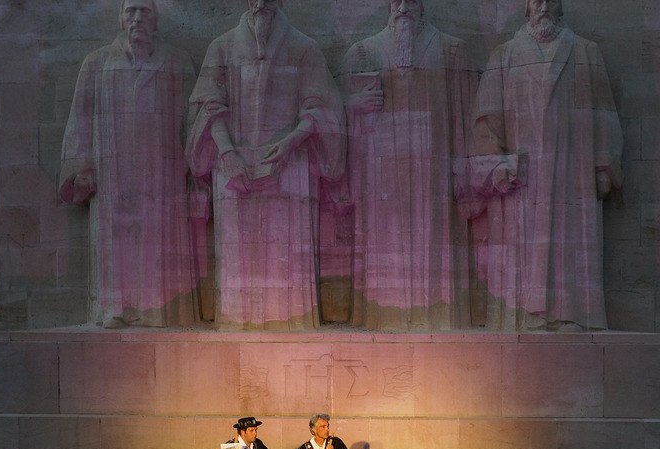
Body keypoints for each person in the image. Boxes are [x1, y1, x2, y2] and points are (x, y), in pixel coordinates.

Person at [185, 0, 346, 330]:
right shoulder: (222, 47)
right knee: (237, 264)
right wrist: (228, 154)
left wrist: (288, 144)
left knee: (288, 263)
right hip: (231, 166)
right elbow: (209, 105)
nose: (260, 4)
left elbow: (319, 107)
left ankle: (292, 328)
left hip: (291, 165)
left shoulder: (304, 48)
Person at [471, 0, 623, 331]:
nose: (544, 8)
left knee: (571, 239)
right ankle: (522, 316)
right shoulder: (505, 55)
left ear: (560, 7)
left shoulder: (586, 52)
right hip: (522, 175)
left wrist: (603, 167)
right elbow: (487, 118)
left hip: (574, 168)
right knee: (522, 242)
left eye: (551, 1)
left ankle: (573, 314)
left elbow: (604, 114)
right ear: (527, 8)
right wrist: (495, 165)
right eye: (537, 1)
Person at [60, 0, 200, 329]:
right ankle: (115, 307)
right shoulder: (96, 63)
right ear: (121, 19)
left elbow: (195, 119)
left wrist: (197, 169)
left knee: (157, 239)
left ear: (156, 20)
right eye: (131, 11)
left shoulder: (178, 63)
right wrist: (81, 168)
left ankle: (157, 308)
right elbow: (80, 119)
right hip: (113, 172)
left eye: (145, 11)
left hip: (162, 172)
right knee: (114, 241)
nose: (137, 18)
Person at [340, 0, 478, 331]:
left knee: (437, 240)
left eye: (410, 1)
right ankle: (381, 318)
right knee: (380, 238)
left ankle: (437, 319)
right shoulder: (363, 52)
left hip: (434, 171)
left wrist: (464, 169)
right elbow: (333, 112)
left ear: (422, 6)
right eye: (396, 1)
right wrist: (353, 106)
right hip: (379, 173)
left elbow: (468, 117)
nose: (403, 7)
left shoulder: (451, 52)